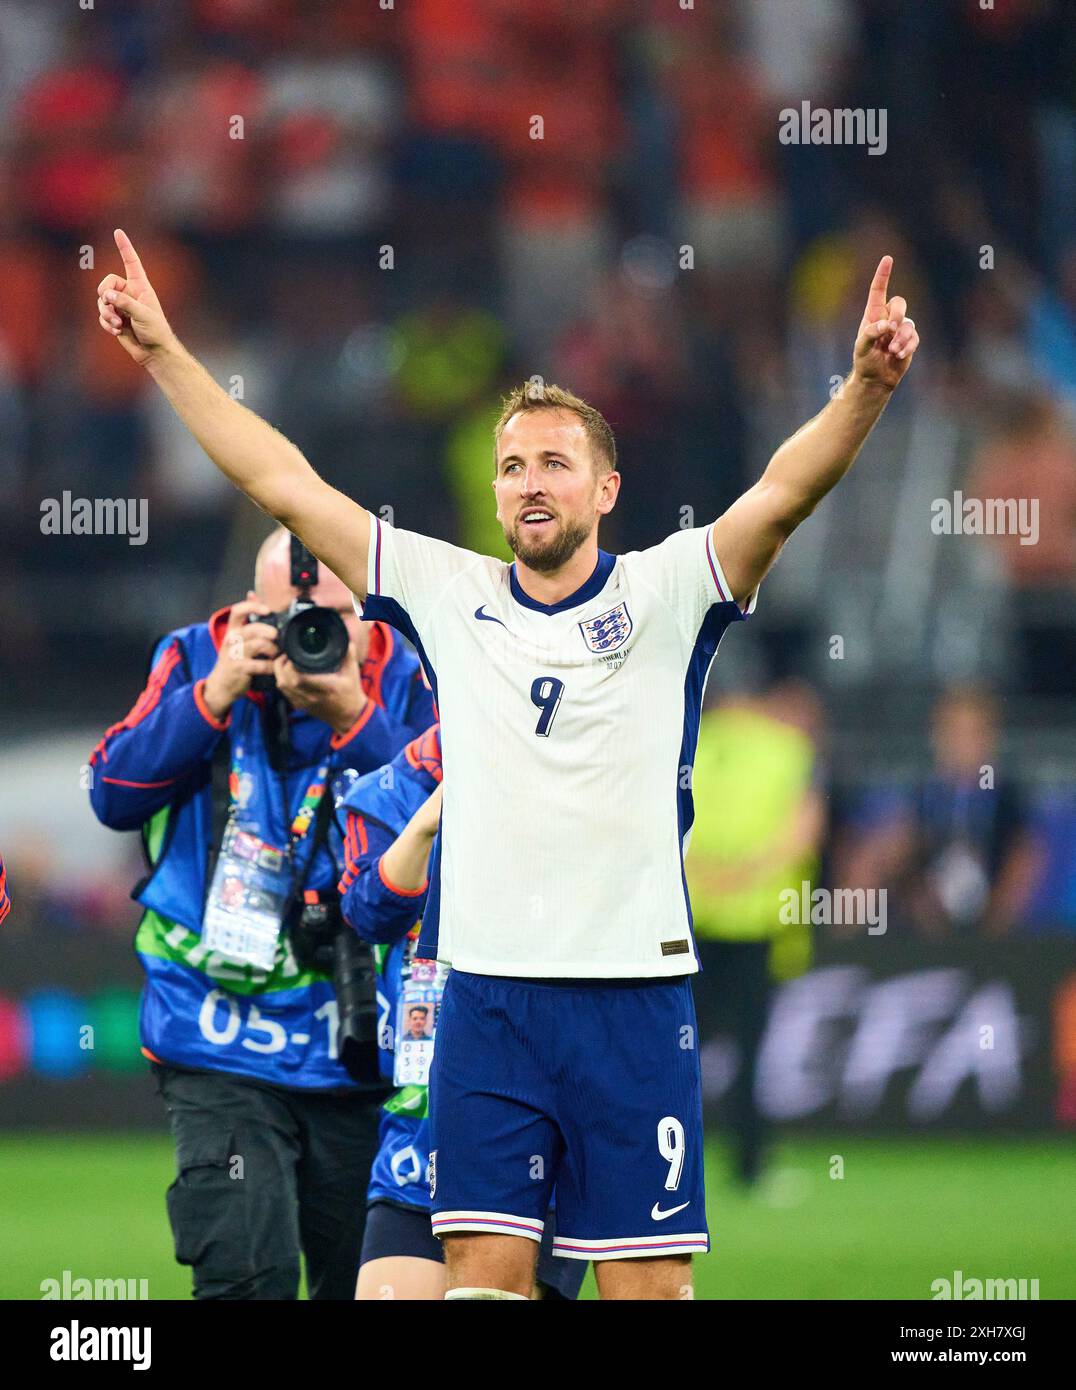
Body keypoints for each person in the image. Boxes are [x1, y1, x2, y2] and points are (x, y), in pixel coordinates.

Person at [95, 230, 919, 1299]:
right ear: (493, 492)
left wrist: (861, 388)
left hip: (633, 993)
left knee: (646, 1292)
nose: (529, 483)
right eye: (512, 465)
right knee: (481, 1283)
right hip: (487, 1003)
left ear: (605, 489)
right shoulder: (447, 591)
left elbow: (781, 493)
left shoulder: (666, 593)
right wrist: (162, 350)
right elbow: (279, 479)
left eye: (554, 463)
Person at [87, 525, 435, 1299]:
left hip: (360, 1042)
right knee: (248, 1277)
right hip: (216, 1036)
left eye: (340, 617)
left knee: (367, 1287)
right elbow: (112, 794)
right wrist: (212, 697)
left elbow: (449, 817)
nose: (317, 636)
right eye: (294, 618)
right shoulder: (194, 657)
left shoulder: (410, 676)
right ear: (252, 612)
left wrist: (356, 719)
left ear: (372, 612)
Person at [334, 722, 586, 1302]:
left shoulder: (571, 772)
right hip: (421, 1126)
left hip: (535, 1123)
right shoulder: (387, 792)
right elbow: (369, 912)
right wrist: (431, 815)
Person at [686, 681, 826, 1186]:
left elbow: (666, 821)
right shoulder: (789, 749)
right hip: (757, 922)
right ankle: (749, 1167)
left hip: (693, 922)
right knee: (752, 1052)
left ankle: (665, 1165)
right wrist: (746, 876)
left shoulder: (692, 739)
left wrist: (704, 875)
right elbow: (804, 832)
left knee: (679, 1053)